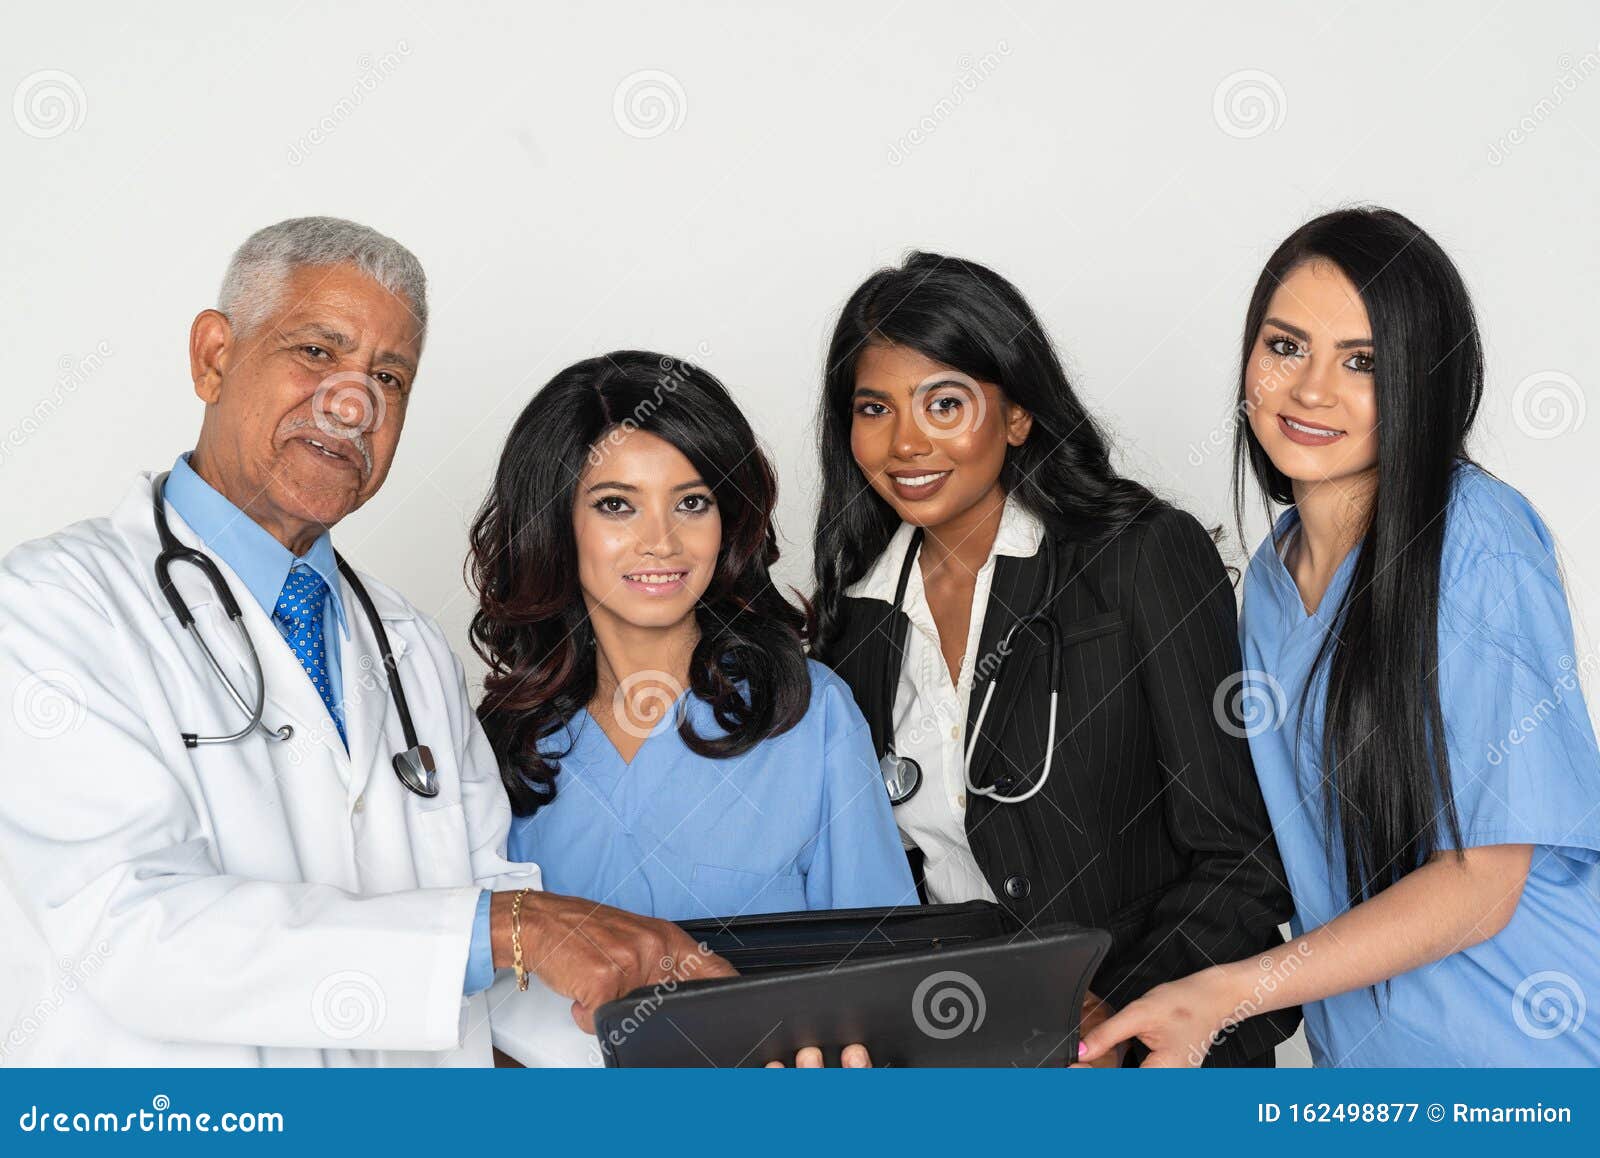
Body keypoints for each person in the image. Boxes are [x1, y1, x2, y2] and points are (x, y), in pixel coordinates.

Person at [0, 217, 730, 1066]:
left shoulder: (408, 647)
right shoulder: (52, 610)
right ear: (213, 356)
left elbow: (503, 963)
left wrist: (714, 1050)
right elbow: (126, 933)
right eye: (317, 352)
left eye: (390, 376)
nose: (354, 405)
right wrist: (503, 928)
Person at [1080, 207, 1600, 1067]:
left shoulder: (1476, 536)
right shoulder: (1272, 578)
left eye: (1363, 362)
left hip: (1525, 1055)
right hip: (1365, 1067)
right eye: (1285, 347)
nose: (1310, 389)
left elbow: (1480, 887)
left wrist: (1225, 990)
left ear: (1425, 381)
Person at [808, 252, 1298, 1066]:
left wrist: (1111, 1021)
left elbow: (1242, 857)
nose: (905, 441)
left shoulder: (1139, 560)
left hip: (1152, 1061)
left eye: (945, 402)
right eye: (873, 408)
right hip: (959, 1059)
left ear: (1018, 416)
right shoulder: (855, 619)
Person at [471, 351, 916, 924]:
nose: (661, 541)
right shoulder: (508, 743)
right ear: (555, 526)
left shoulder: (809, 714)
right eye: (616, 505)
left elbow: (876, 964)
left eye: (691, 503)